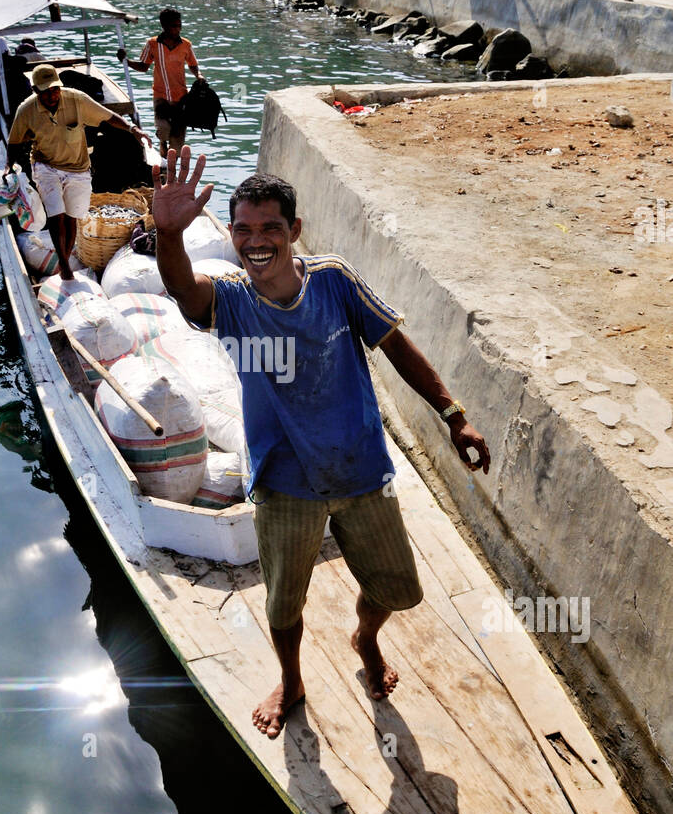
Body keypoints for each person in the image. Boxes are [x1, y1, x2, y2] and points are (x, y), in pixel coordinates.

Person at [153, 154, 491, 739]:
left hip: (362, 470)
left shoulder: (334, 279)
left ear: (295, 232)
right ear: (231, 235)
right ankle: (292, 679)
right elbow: (184, 286)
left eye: (270, 229)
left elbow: (394, 343)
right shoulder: (231, 300)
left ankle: (365, 637)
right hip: (286, 482)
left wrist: (453, 414)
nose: (256, 243)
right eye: (243, 231)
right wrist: (168, 233)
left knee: (397, 591)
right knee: (284, 606)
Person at [6, 62, 151, 281]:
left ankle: (64, 255)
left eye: (55, 89)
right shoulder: (26, 110)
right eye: (46, 92)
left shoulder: (76, 99)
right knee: (56, 213)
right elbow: (14, 141)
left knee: (72, 215)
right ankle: (65, 265)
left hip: (78, 167)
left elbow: (108, 116)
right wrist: (9, 167)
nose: (53, 95)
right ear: (36, 91)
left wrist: (133, 129)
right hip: (45, 165)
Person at [116, 8, 201, 157]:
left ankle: (171, 168)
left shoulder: (186, 45)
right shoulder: (152, 44)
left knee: (177, 140)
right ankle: (162, 143)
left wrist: (198, 75)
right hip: (160, 95)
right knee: (163, 130)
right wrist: (126, 61)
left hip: (181, 97)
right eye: (174, 26)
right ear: (164, 26)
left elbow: (193, 64)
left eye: (179, 25)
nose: (177, 29)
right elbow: (143, 66)